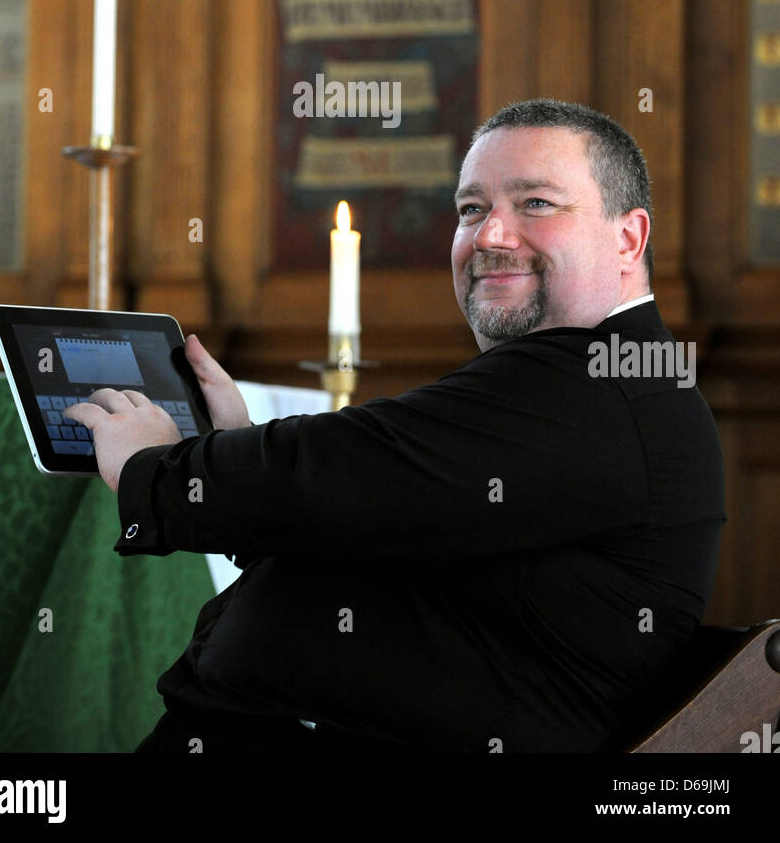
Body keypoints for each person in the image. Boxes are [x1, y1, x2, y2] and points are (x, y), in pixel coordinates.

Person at [66, 98, 726, 754]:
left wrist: (154, 468)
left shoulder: (599, 376)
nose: (491, 236)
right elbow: (388, 506)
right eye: (472, 209)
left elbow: (351, 466)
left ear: (627, 237)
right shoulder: (609, 374)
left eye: (536, 204)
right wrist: (225, 446)